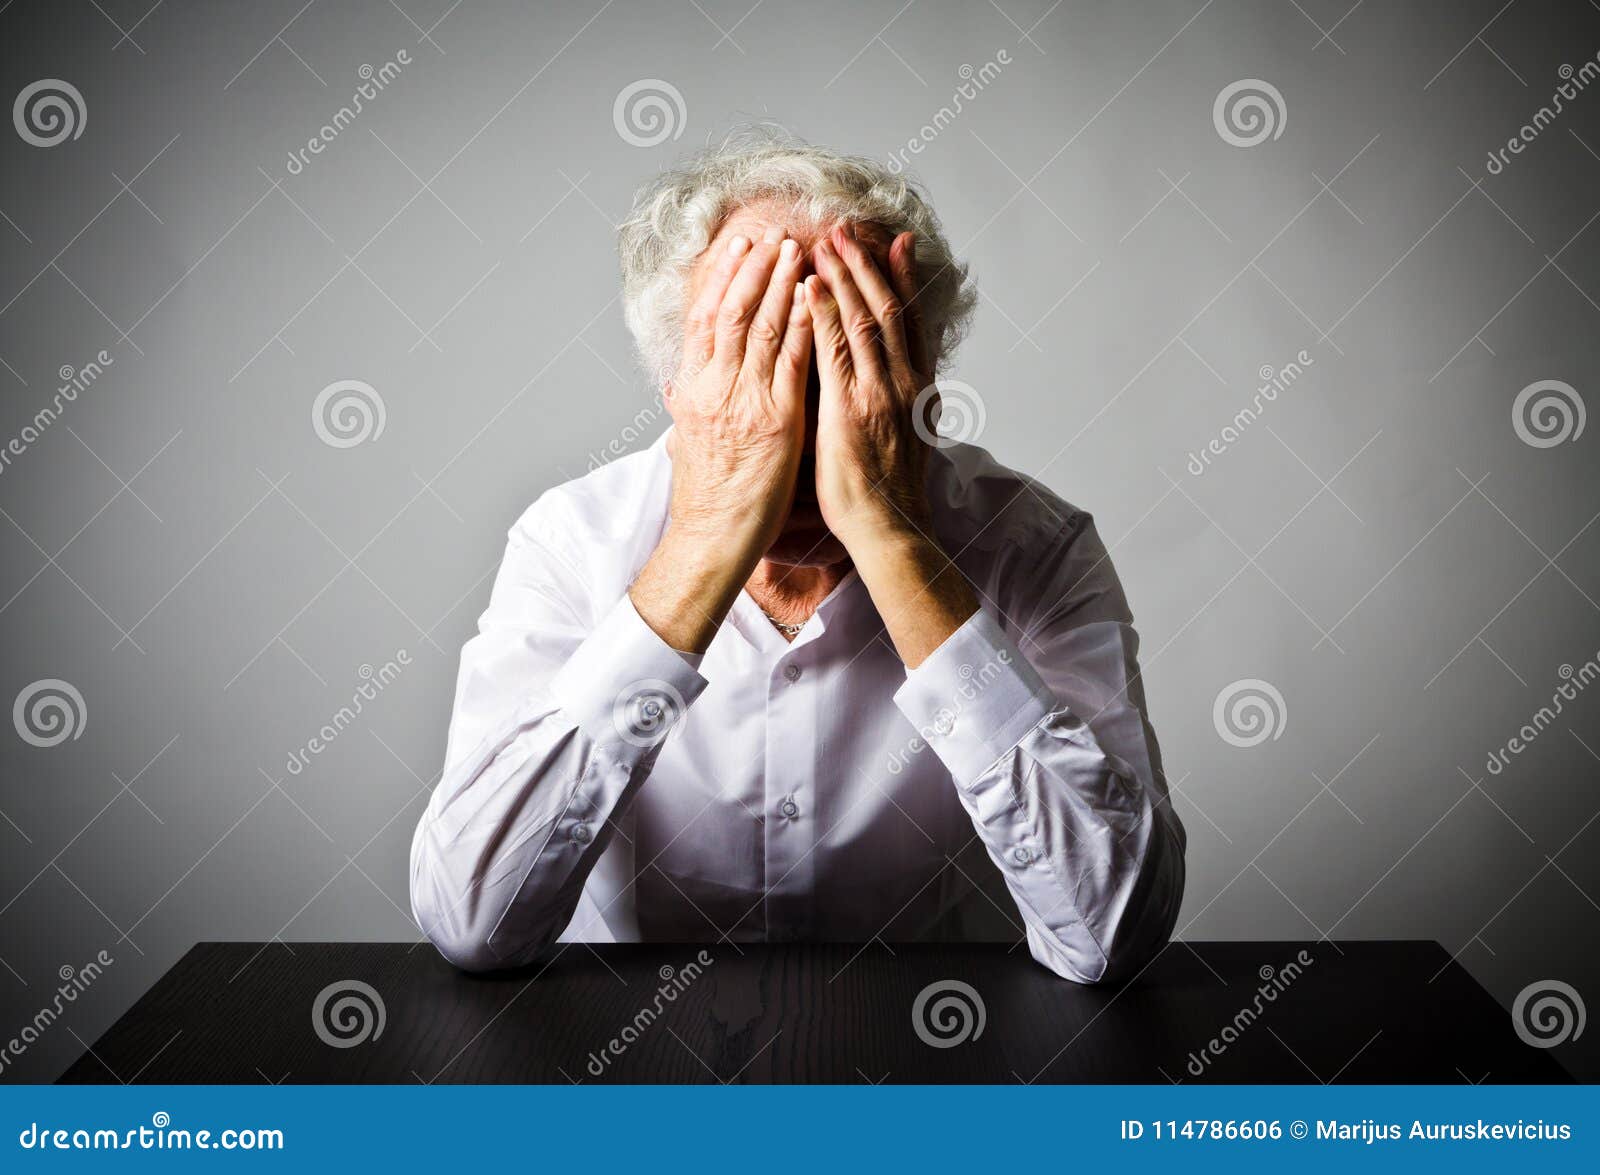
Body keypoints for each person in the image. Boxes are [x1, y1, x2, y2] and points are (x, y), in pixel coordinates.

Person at [409, 134, 1185, 982]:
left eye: (850, 369)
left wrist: (893, 538)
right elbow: (473, 919)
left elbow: (1112, 933)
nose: (806, 437)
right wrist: (704, 540)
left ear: (921, 380)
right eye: (755, 361)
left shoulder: (1038, 547)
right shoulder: (572, 540)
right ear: (675, 388)